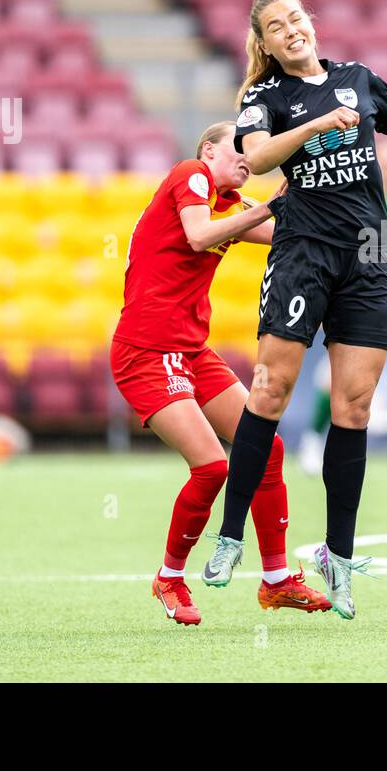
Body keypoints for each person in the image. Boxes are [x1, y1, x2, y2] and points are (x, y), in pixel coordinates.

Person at [202, 0, 387, 619]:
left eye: (296, 19)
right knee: (270, 390)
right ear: (266, 45)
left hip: (368, 251)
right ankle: (230, 535)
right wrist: (313, 126)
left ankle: (338, 553)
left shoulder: (360, 80)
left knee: (354, 406)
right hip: (303, 249)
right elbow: (256, 156)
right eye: (276, 28)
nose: (291, 31)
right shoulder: (262, 98)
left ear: (310, 24)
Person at [111, 120, 330, 626]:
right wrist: (272, 204)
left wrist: (319, 192)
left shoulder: (227, 205)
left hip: (190, 350)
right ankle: (169, 577)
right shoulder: (190, 174)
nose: (249, 158)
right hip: (145, 352)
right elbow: (197, 237)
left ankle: (276, 582)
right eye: (240, 148)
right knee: (212, 467)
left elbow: (283, 235)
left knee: (266, 449)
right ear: (209, 149)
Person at [297, 138, 387, 483]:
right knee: (339, 377)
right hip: (360, 300)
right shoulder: (358, 204)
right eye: (381, 163)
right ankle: (313, 439)